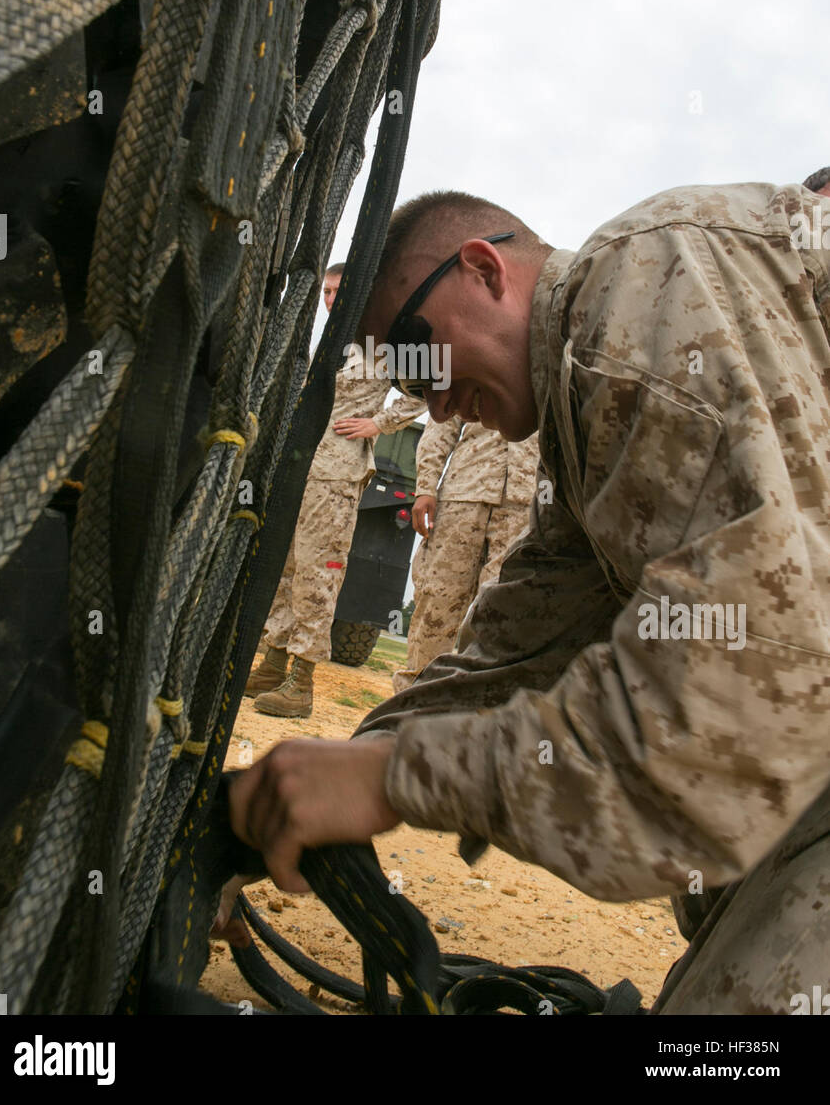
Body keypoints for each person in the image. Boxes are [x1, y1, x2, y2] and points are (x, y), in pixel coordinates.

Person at [225, 184, 830, 1014]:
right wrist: (306, 797)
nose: (429, 399)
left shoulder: (637, 295)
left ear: (482, 270)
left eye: (416, 352)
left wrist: (399, 777)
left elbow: (741, 701)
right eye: (403, 376)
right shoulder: (586, 401)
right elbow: (523, 640)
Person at [245, 263, 424, 718]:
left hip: (337, 471)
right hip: (300, 464)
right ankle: (274, 661)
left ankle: (301, 682)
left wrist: (379, 423)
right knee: (287, 565)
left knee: (319, 569)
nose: (329, 300)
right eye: (325, 292)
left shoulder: (383, 344)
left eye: (338, 291)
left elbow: (429, 384)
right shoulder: (328, 342)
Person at [393, 416, 536, 692]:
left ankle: (472, 712)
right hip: (464, 492)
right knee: (435, 603)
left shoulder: (558, 371)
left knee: (502, 614)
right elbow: (442, 422)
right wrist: (425, 487)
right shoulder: (465, 370)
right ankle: (411, 703)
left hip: (525, 505)